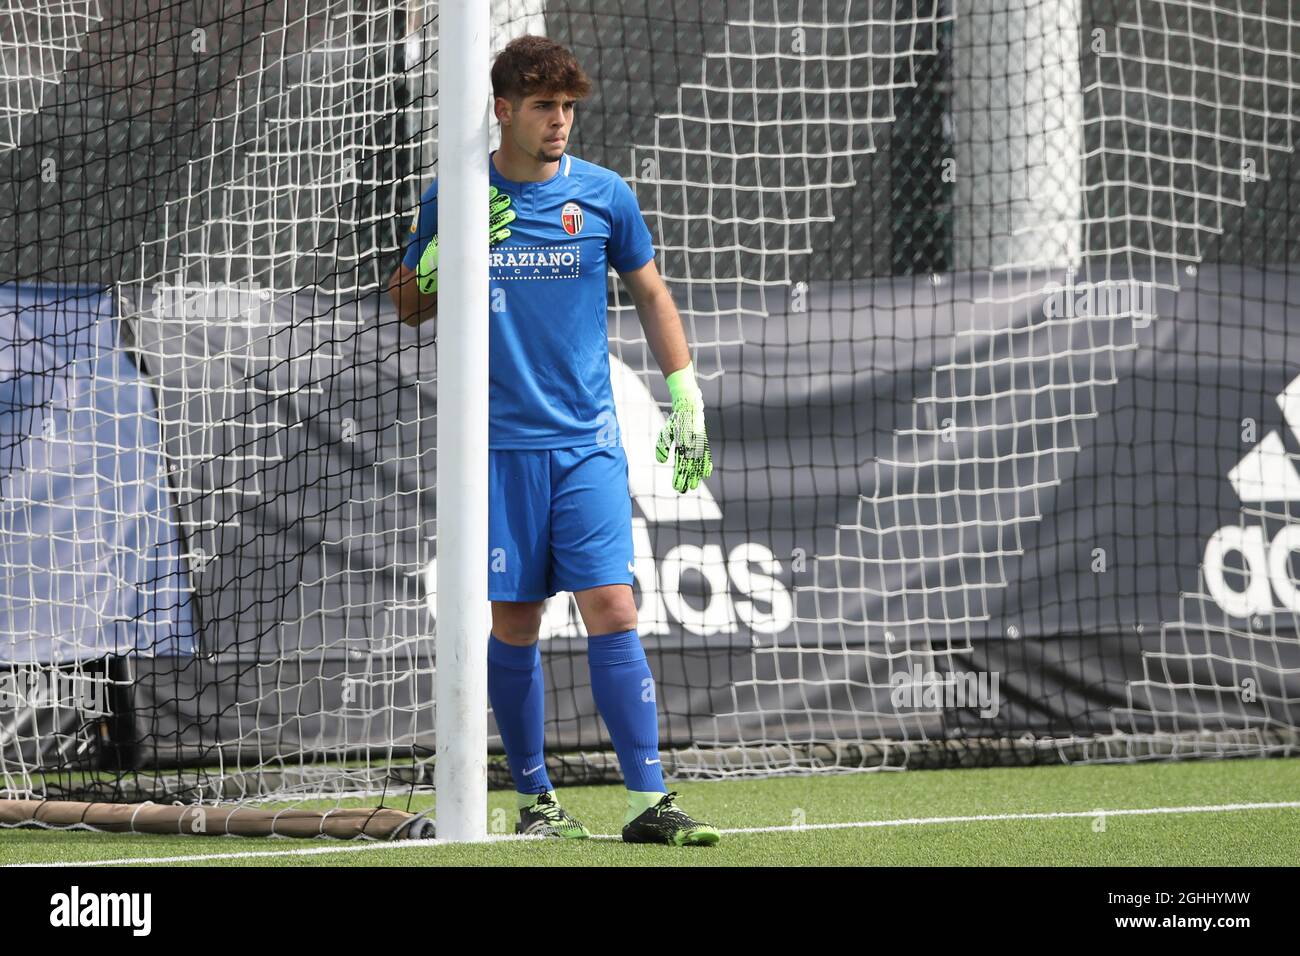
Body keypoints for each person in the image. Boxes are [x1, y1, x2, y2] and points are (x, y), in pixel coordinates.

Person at [387, 34, 718, 846]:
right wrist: (444, 254)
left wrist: (682, 395)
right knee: (517, 623)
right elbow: (405, 304)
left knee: (612, 605)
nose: (561, 121)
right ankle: (538, 802)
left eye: (569, 107)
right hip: (493, 454)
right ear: (503, 110)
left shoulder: (604, 195)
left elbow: (651, 291)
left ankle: (649, 801)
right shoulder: (457, 196)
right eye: (544, 106)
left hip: (587, 446)